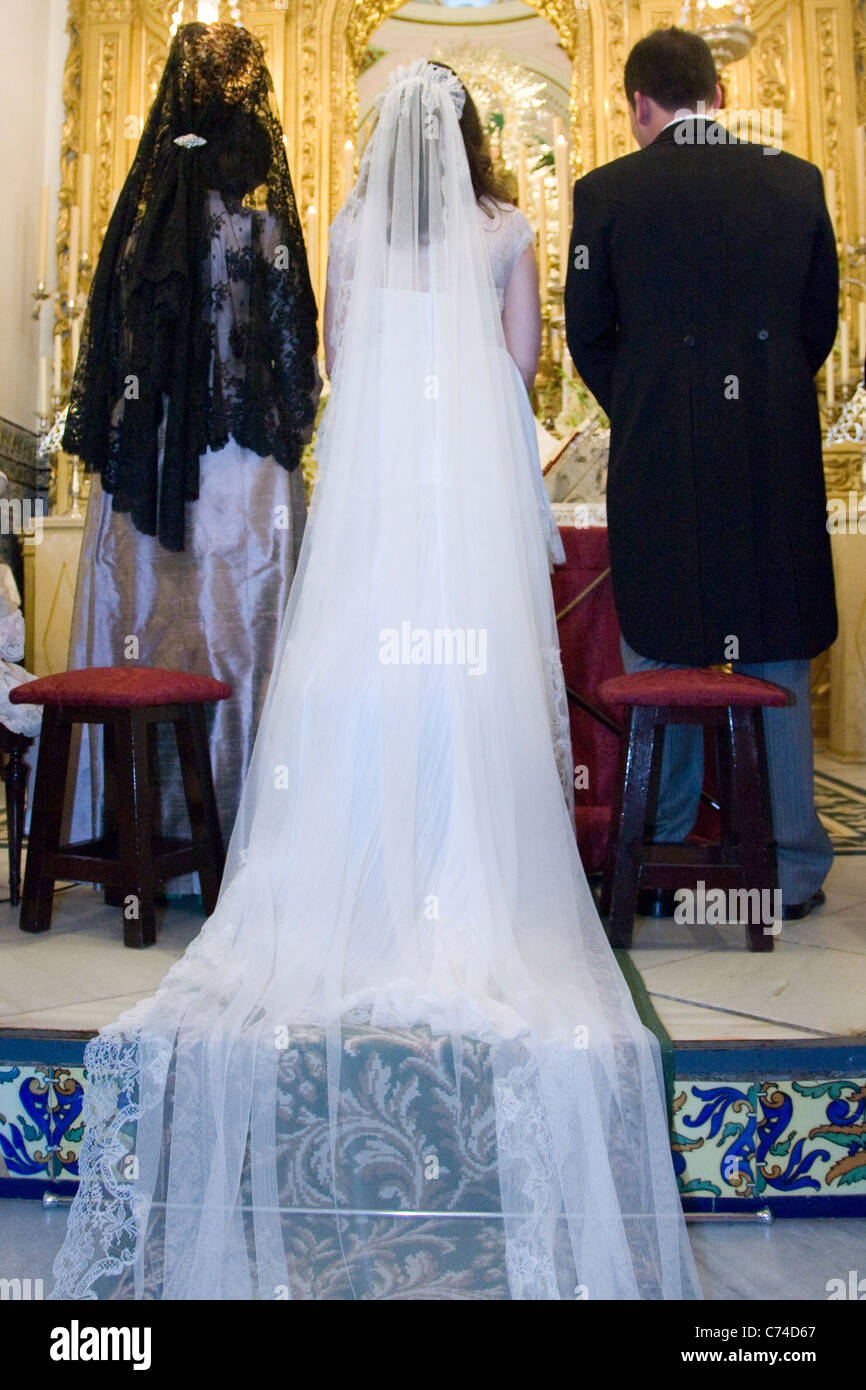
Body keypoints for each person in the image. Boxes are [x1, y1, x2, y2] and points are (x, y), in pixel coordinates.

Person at [50, 59, 700, 1301]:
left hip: (378, 498)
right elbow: (517, 368)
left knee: (356, 684)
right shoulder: (508, 227)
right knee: (472, 688)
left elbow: (338, 360)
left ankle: (354, 881)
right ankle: (466, 893)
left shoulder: (344, 229)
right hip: (464, 495)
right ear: (470, 138)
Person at [565, 27, 838, 920]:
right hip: (773, 457)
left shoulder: (605, 193)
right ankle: (791, 864)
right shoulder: (796, 181)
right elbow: (817, 324)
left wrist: (647, 403)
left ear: (640, 105)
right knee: (778, 653)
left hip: (662, 462)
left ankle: (665, 844)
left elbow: (588, 333)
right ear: (717, 95)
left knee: (662, 648)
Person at [62, 22, 321, 878]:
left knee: (149, 637)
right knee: (239, 635)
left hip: (150, 471)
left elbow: (110, 358)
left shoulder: (138, 233)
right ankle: (247, 831)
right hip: (244, 479)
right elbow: (292, 366)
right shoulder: (262, 235)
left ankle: (139, 826)